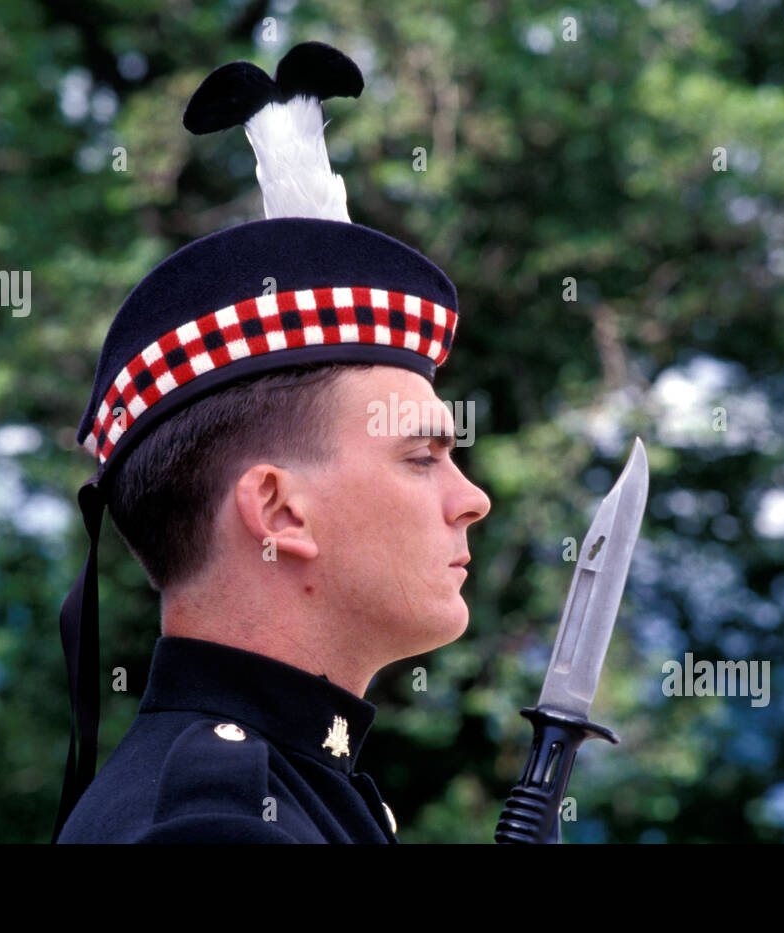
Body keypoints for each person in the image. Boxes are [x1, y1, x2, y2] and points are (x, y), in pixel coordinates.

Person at [51, 42, 490, 843]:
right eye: (421, 456)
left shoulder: (290, 787)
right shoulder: (213, 826)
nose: (473, 499)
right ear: (279, 510)